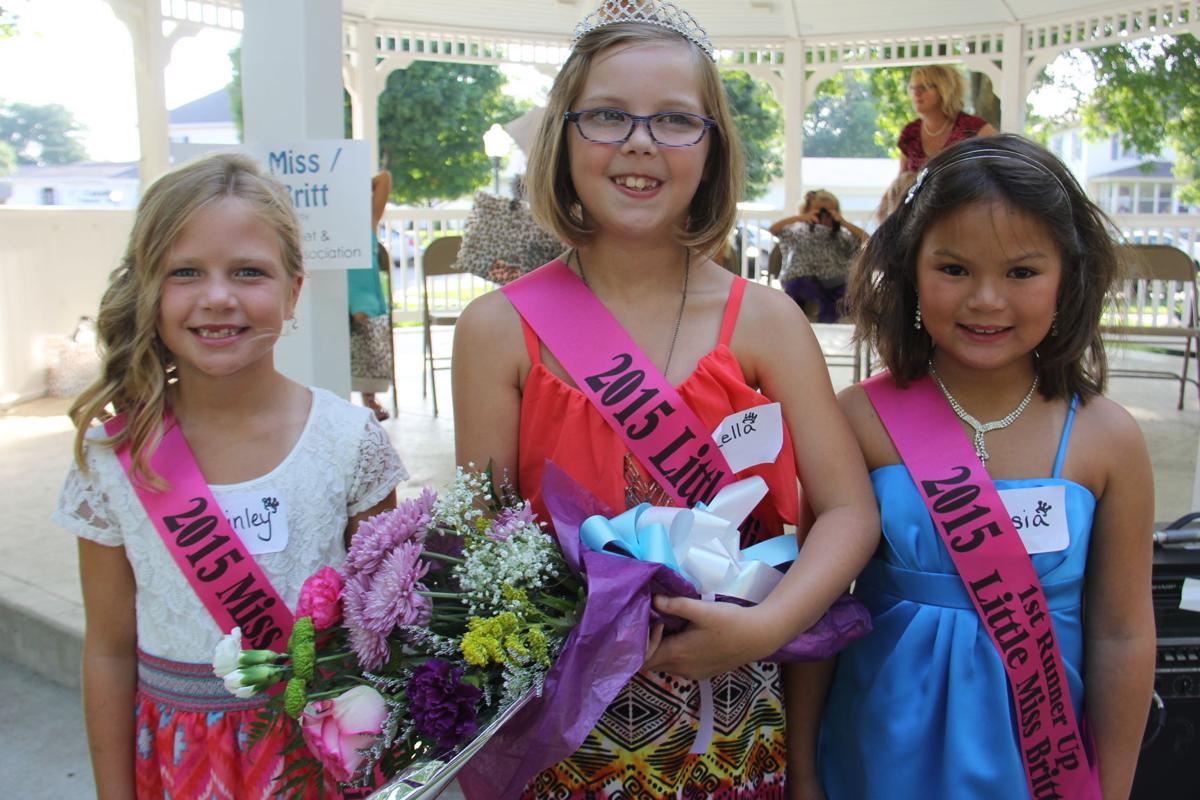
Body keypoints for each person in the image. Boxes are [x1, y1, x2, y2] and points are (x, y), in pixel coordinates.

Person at [452, 1, 879, 796]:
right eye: (607, 115)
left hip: (734, 713)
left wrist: (767, 626)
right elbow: (487, 541)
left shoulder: (767, 322)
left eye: (676, 120)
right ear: (561, 138)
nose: (640, 141)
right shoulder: (497, 331)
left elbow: (849, 511)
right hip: (561, 731)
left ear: (714, 150)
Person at [53, 152, 407, 799]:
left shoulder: (350, 442)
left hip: (319, 757)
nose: (218, 297)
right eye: (185, 272)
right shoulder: (112, 460)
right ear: (149, 290)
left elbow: (383, 633)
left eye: (249, 272)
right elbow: (107, 650)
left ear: (294, 290)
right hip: (178, 761)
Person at [811, 135, 1156, 799]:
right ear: (911, 269)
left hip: (1039, 768)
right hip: (877, 754)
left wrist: (1112, 787)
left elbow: (1122, 632)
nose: (987, 300)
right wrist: (803, 771)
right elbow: (816, 611)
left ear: (1069, 277)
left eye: (1022, 272)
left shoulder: (1106, 438)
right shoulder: (856, 421)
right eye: (955, 269)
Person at [768, 190, 867, 323]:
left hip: (835, 281)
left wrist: (843, 222)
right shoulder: (796, 231)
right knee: (805, 290)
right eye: (820, 211)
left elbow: (867, 240)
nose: (825, 216)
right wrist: (801, 218)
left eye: (830, 212)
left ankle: (830, 321)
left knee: (847, 294)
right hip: (802, 279)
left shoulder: (842, 235)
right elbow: (773, 229)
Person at [349, 170, 394, 421]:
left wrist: (351, 179)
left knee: (365, 322)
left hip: (364, 296)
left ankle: (369, 397)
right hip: (335, 292)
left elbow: (384, 178)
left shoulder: (366, 220)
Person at [898, 65, 998, 173]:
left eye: (924, 87)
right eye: (913, 88)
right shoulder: (911, 132)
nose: (916, 93)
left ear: (944, 90)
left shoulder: (973, 128)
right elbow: (901, 181)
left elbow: (1006, 162)